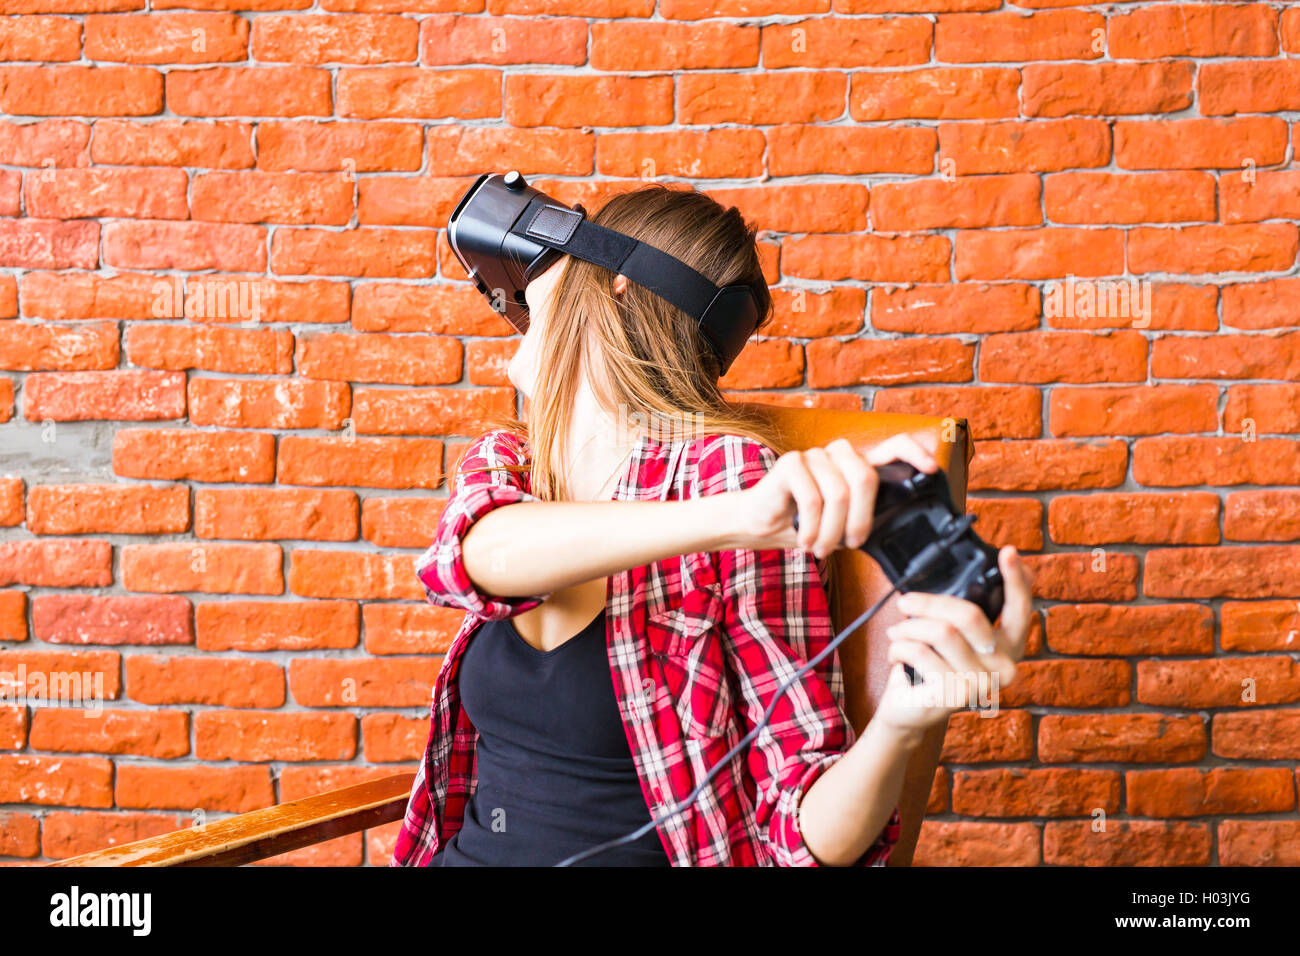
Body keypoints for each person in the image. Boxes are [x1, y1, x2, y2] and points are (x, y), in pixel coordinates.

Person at [389, 182, 1033, 867]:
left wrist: (906, 722)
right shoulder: (511, 462)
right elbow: (461, 563)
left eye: (555, 268)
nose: (529, 288)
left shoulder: (731, 472)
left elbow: (800, 826)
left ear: (614, 288)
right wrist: (732, 521)